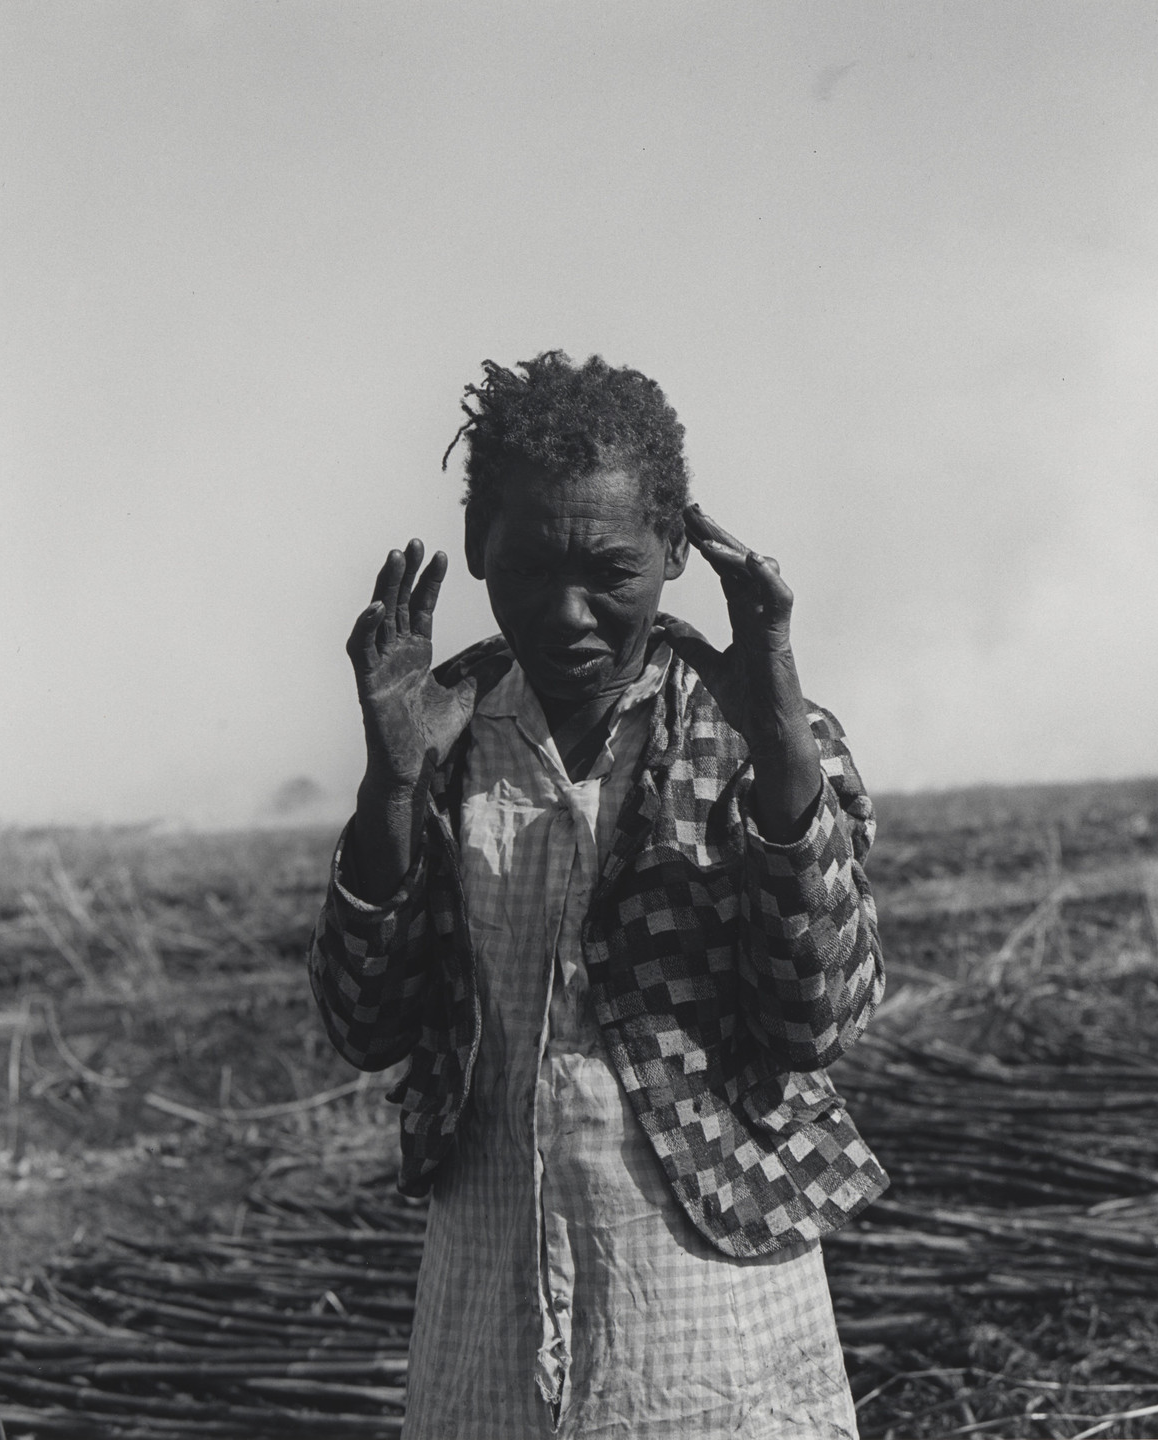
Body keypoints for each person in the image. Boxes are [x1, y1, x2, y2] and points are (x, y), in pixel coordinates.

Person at [308, 351, 888, 1438]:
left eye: (609, 573)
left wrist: (781, 765)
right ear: (477, 548)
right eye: (527, 568)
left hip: (705, 1285)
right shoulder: (440, 739)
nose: (568, 614)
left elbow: (815, 1021)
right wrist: (389, 788)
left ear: (674, 551)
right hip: (491, 1274)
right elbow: (363, 1025)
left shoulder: (761, 737)